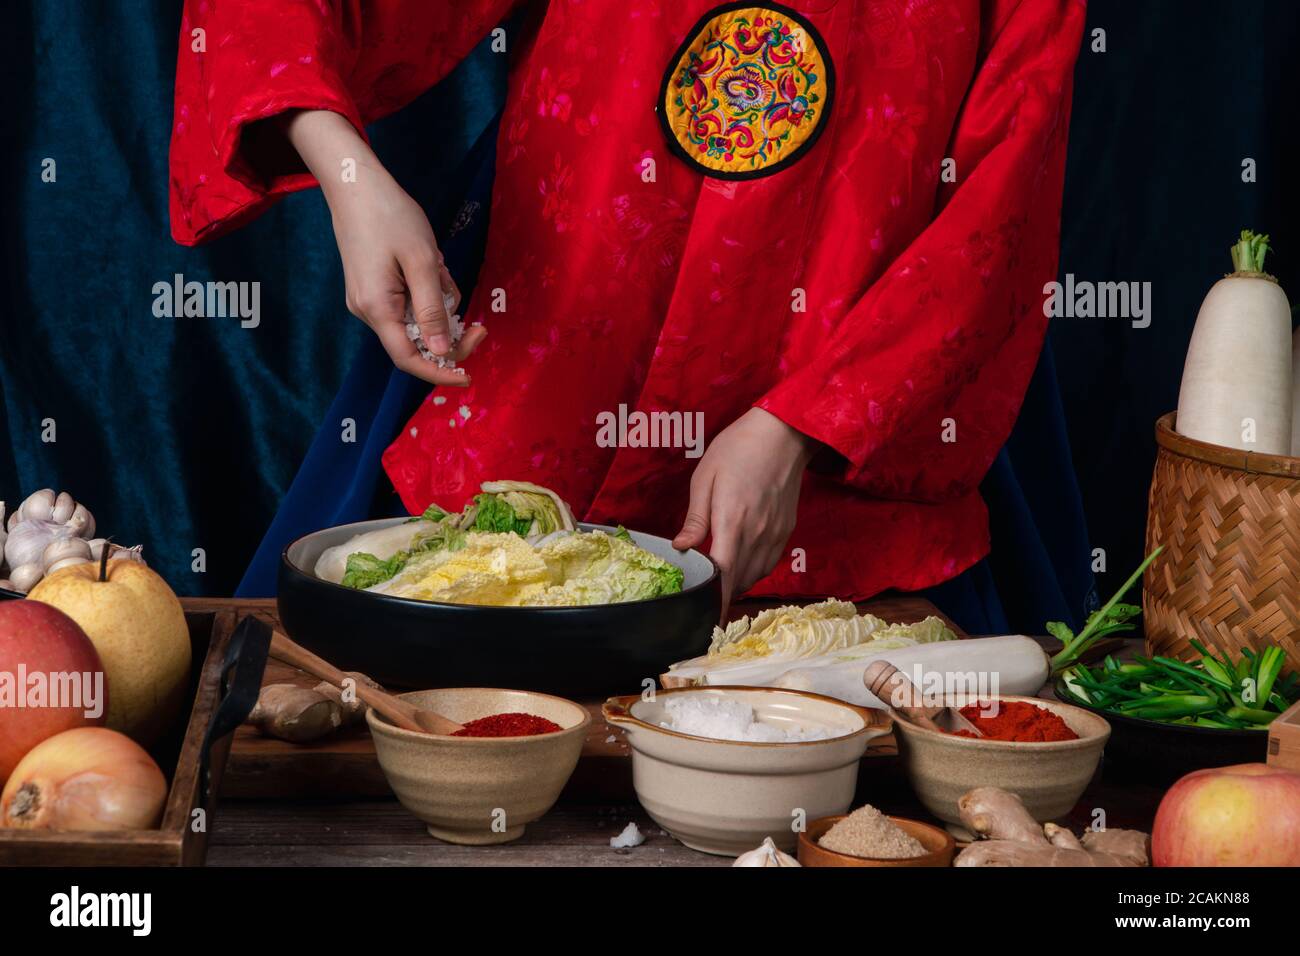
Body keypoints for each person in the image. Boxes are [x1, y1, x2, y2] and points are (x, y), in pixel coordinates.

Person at [170, 0, 1086, 612]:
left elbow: (1005, 202)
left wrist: (804, 427)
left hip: (834, 475)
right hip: (535, 382)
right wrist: (348, 172)